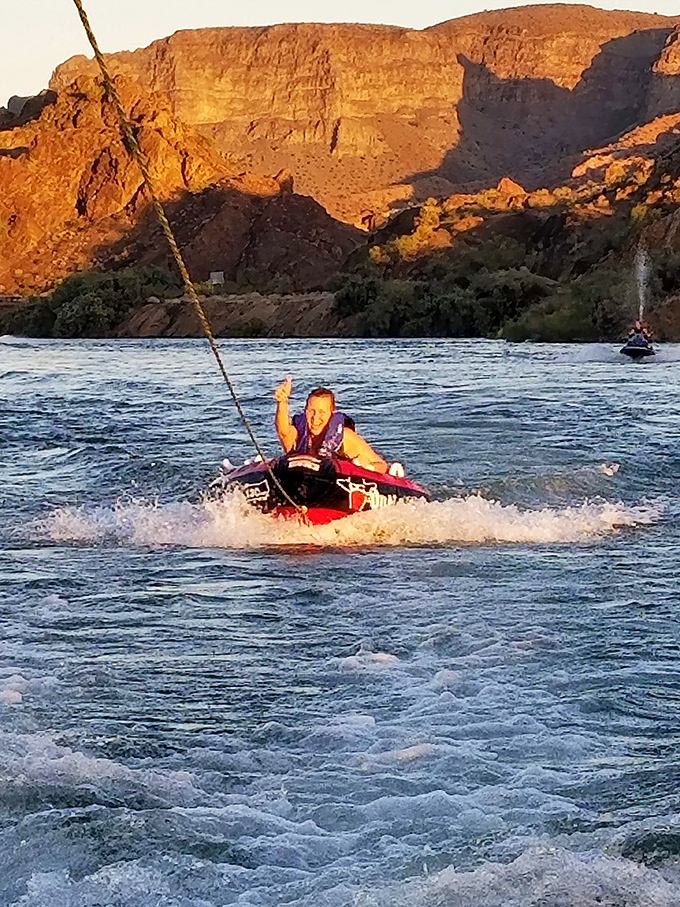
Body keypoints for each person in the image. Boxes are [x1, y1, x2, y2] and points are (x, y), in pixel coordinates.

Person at [274, 377, 389, 473]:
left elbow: (381, 466)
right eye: (311, 411)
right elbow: (283, 432)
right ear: (305, 411)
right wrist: (282, 402)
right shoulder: (297, 436)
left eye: (322, 412)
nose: (315, 417)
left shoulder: (345, 438)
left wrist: (367, 466)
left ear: (332, 413)